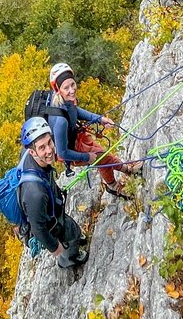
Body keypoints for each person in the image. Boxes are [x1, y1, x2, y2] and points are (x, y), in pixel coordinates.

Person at [48, 62, 140, 198]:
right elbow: (62, 153)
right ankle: (119, 179)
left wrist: (100, 119)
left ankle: (118, 178)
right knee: (103, 157)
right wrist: (86, 157)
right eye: (66, 88)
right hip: (71, 151)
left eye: (73, 84)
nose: (72, 90)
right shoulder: (60, 121)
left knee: (103, 157)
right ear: (58, 90)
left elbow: (76, 112)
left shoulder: (66, 101)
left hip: (77, 139)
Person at [18, 116, 87, 269]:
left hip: (50, 205)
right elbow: (38, 228)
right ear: (32, 152)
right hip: (50, 220)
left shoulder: (29, 155)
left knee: (71, 227)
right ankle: (69, 259)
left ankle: (74, 238)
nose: (49, 150)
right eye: (42, 147)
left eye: (49, 142)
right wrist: (55, 248)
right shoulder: (35, 193)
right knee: (70, 232)